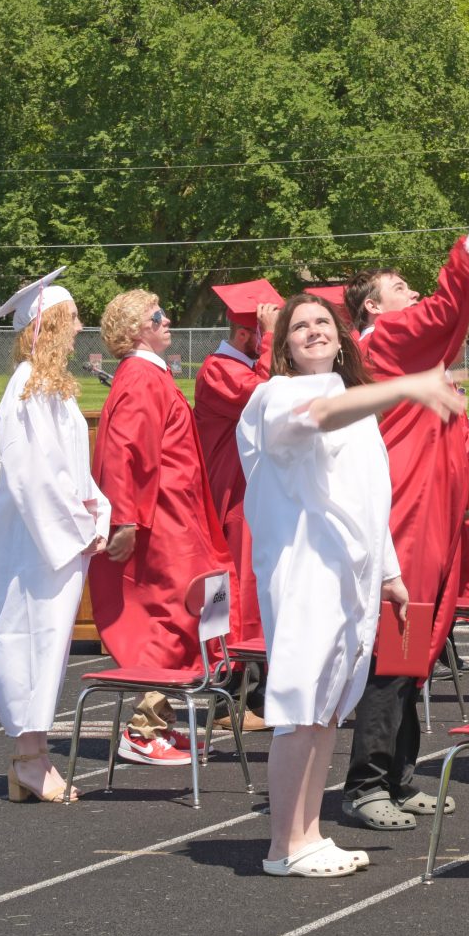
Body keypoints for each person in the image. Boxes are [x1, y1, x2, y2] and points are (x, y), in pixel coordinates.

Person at [236, 292, 463, 878]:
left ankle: (309, 833)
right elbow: (314, 419)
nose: (312, 331)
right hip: (306, 569)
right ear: (283, 344)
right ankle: (284, 846)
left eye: (321, 323)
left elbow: (369, 496)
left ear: (341, 336)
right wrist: (409, 385)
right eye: (299, 326)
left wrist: (388, 572)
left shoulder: (349, 401)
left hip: (350, 574)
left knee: (329, 706)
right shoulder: (277, 395)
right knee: (301, 705)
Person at [339, 172, 469, 834]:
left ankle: (400, 773)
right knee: (395, 649)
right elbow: (449, 305)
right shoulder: (383, 345)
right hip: (404, 515)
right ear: (372, 312)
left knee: (419, 646)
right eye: (397, 290)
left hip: (433, 514)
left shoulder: (405, 347)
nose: (411, 294)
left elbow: (445, 316)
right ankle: (365, 783)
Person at [0, 268, 111, 804]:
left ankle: (32, 757)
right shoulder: (28, 390)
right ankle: (30, 757)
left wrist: (95, 510)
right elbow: (33, 476)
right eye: (73, 318)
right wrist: (80, 527)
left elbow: (71, 470)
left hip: (53, 538)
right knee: (28, 640)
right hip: (31, 543)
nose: (80, 328)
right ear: (50, 325)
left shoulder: (50, 388)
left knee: (47, 643)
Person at [89, 290, 232, 767]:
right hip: (161, 520)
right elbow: (124, 452)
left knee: (185, 613)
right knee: (170, 616)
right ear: (135, 330)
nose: (167, 319)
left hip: (178, 513)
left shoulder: (151, 374)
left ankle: (161, 723)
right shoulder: (139, 377)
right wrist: (124, 520)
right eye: (156, 316)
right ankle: (142, 729)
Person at [192, 279, 283, 723]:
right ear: (250, 335)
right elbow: (267, 400)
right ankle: (228, 694)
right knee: (233, 592)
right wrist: (270, 348)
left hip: (253, 494)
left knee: (258, 588)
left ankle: (259, 690)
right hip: (230, 498)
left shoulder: (238, 365)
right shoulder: (218, 370)